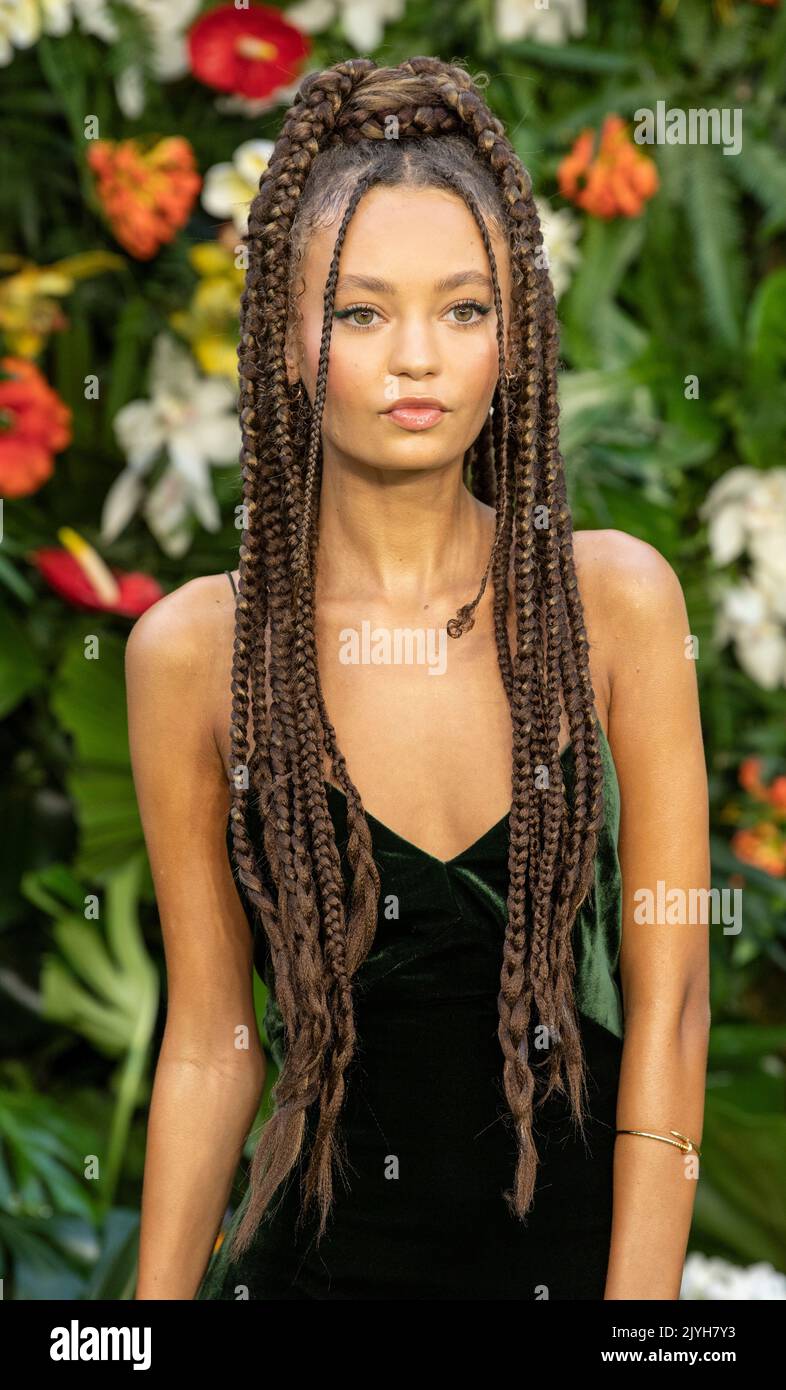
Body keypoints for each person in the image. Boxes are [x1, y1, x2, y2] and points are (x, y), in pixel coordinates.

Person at [127, 57, 710, 1301]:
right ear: (288, 338)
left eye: (462, 309)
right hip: (317, 1269)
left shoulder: (613, 603)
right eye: (359, 312)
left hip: (578, 1261)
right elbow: (210, 1045)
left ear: (515, 337)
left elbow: (673, 1006)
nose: (417, 360)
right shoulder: (193, 651)